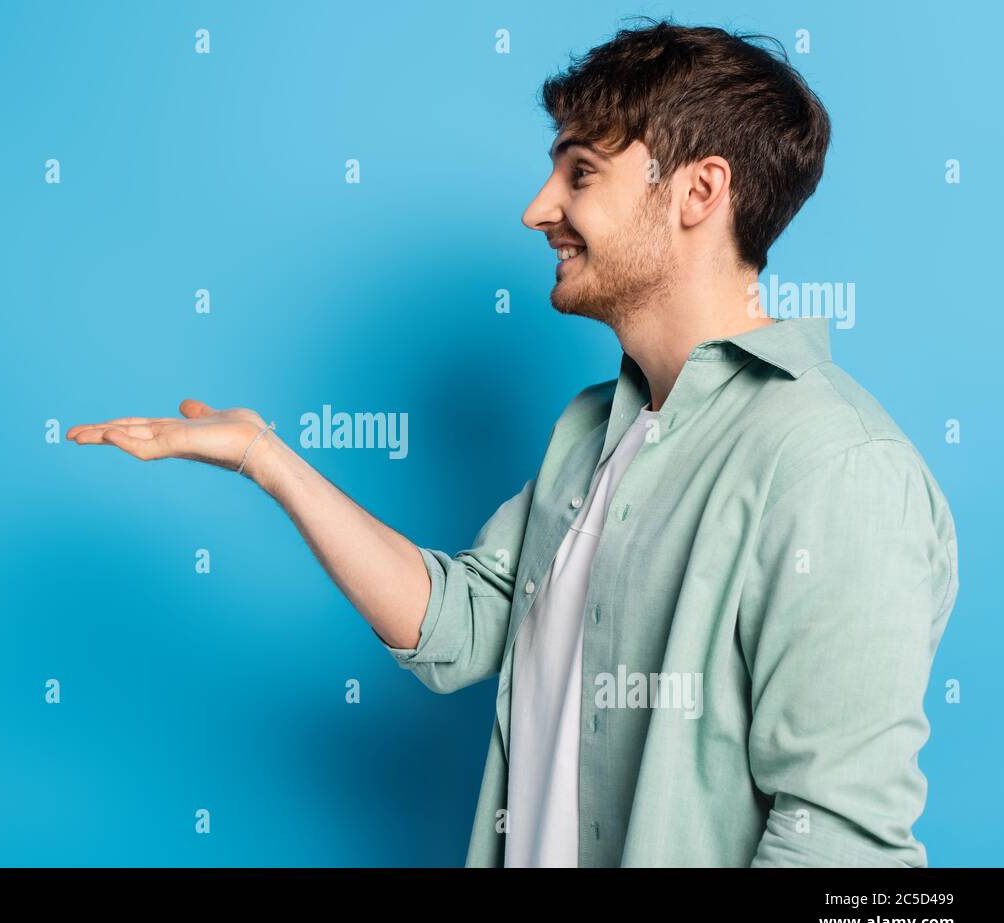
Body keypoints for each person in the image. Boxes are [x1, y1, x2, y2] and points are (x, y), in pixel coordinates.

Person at [67, 19, 959, 867]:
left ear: (698, 191)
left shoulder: (837, 469)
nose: (539, 209)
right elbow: (456, 625)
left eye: (581, 173)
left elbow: (846, 853)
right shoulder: (592, 430)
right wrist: (269, 459)